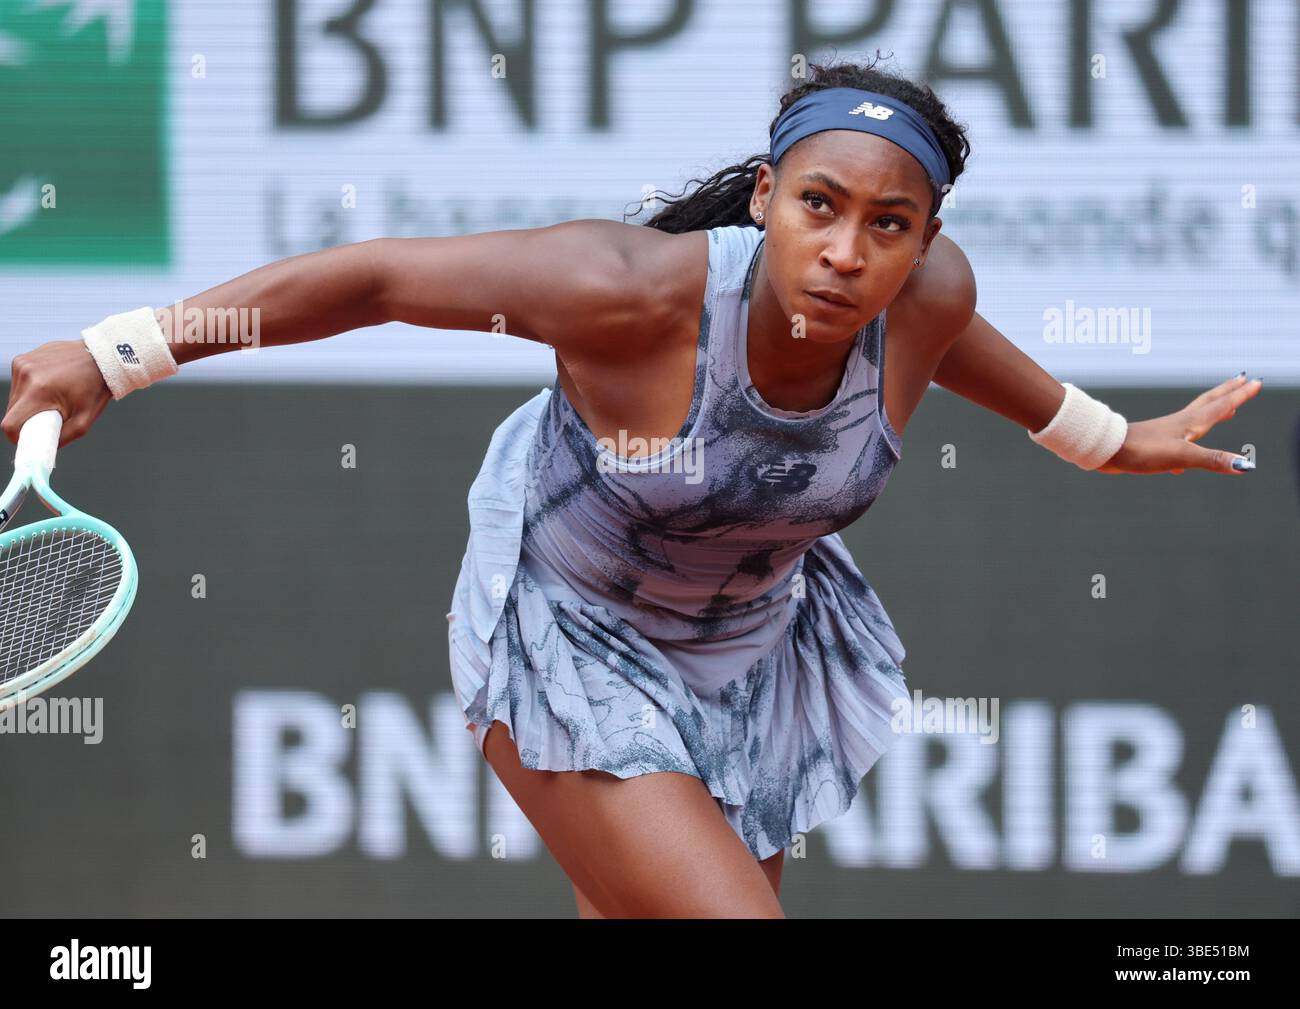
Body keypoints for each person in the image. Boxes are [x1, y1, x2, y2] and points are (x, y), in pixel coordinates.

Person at [2, 56, 1262, 918]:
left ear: (924, 243)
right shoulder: (625, 290)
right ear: (765, 196)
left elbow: (966, 348)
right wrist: (120, 353)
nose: (845, 251)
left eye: (889, 225)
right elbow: (376, 276)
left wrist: (1104, 438)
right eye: (818, 206)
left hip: (756, 653)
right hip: (572, 637)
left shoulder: (927, 299)